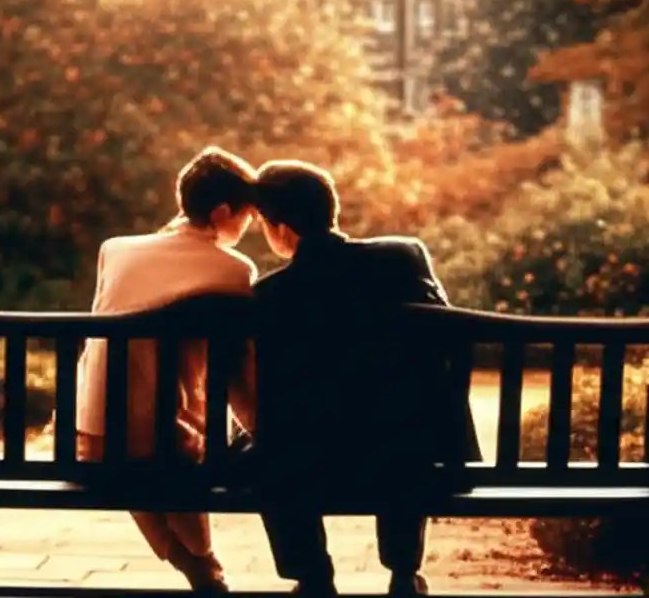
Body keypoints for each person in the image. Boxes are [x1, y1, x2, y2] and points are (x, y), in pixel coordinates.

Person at [250, 159, 482, 598]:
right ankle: (402, 570)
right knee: (405, 415)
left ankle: (312, 573)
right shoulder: (403, 256)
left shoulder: (272, 295)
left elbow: (274, 397)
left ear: (278, 227)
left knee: (270, 449)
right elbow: (445, 341)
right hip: (416, 462)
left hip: (313, 467)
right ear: (330, 209)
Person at [75, 146, 259, 591]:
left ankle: (195, 564)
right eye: (246, 217)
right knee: (172, 443)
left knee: (134, 438)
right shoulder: (234, 270)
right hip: (166, 448)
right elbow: (236, 362)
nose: (248, 227)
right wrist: (258, 425)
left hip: (90, 440)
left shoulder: (115, 250)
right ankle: (203, 562)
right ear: (221, 212)